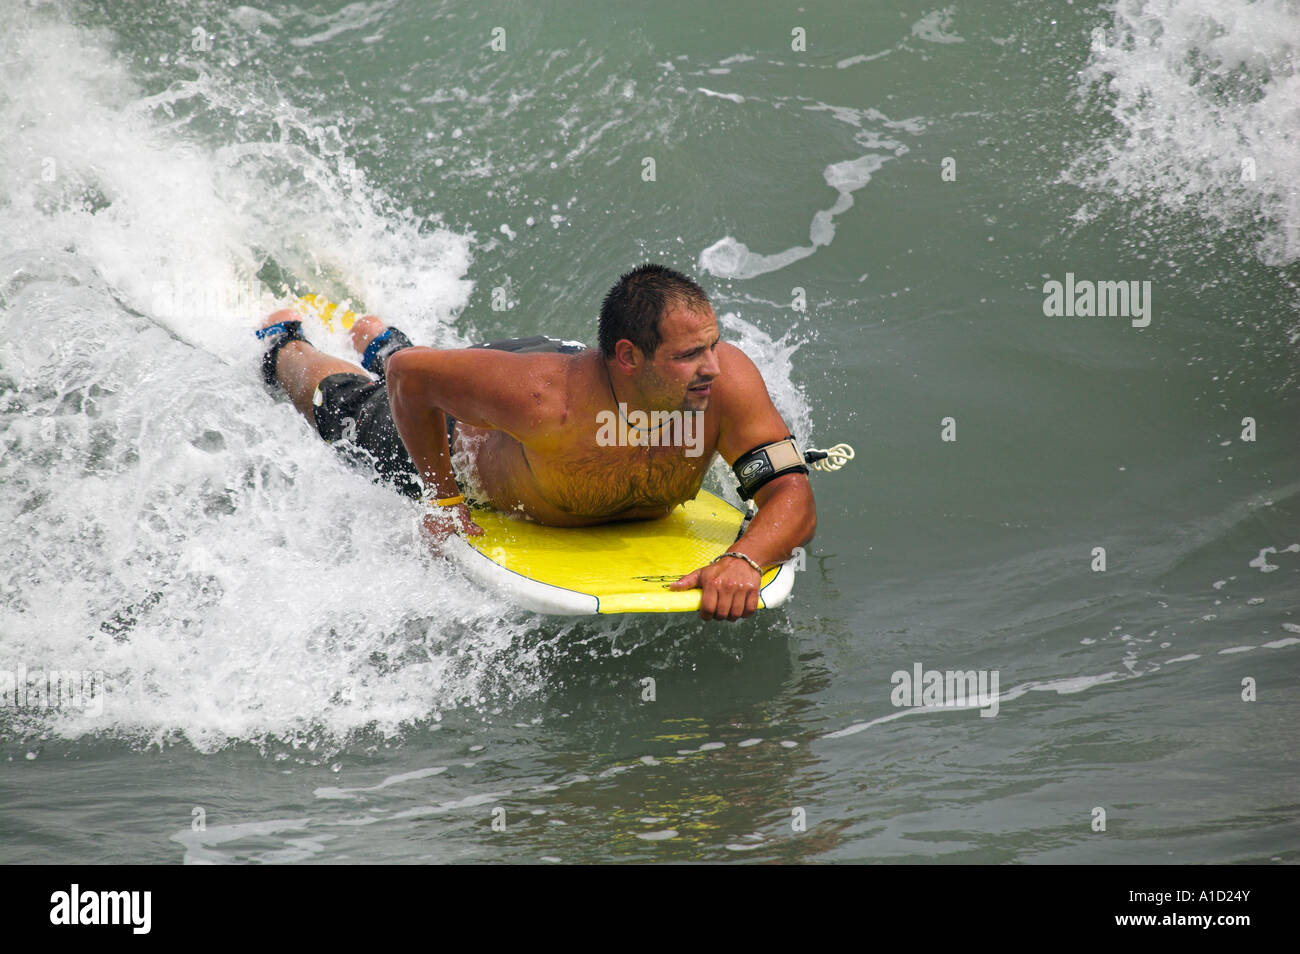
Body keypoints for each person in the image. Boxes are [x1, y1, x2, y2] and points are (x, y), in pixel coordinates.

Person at [256, 263, 815, 621]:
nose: (713, 369)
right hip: (476, 429)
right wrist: (442, 499)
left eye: (713, 346)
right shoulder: (547, 404)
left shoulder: (724, 384)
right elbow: (411, 381)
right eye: (690, 356)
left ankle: (382, 338)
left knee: (429, 367)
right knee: (349, 409)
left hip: (554, 367)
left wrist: (746, 558)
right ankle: (286, 344)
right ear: (628, 357)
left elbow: (792, 492)